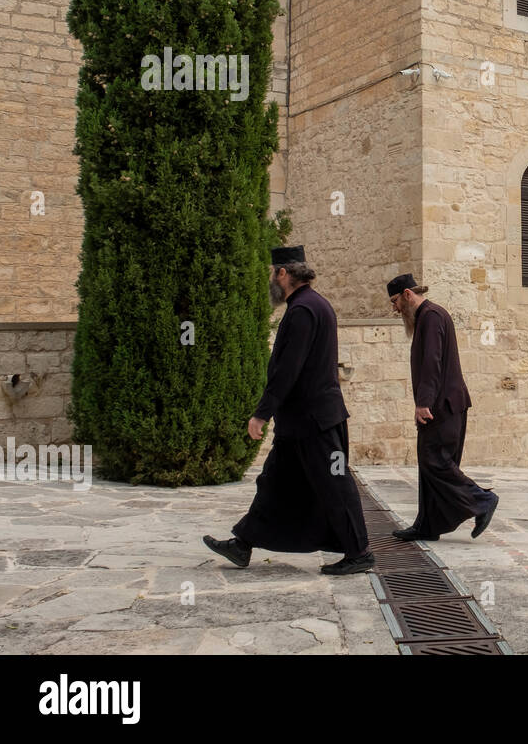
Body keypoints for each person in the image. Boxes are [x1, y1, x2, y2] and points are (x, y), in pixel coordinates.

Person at [203, 246, 374, 576]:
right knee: (274, 483)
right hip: (303, 421)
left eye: (273, 272)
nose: (271, 279)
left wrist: (261, 413)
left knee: (335, 483)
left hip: (314, 422)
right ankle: (243, 544)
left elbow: (287, 370)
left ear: (283, 273)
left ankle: (359, 552)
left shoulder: (301, 311)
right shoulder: (316, 304)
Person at [386, 273, 498, 542]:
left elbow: (432, 362)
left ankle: (482, 499)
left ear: (407, 294)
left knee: (436, 461)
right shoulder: (429, 316)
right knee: (430, 464)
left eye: (395, 301)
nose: (395, 308)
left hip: (442, 405)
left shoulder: (432, 316)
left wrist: (423, 402)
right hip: (443, 404)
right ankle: (427, 525)